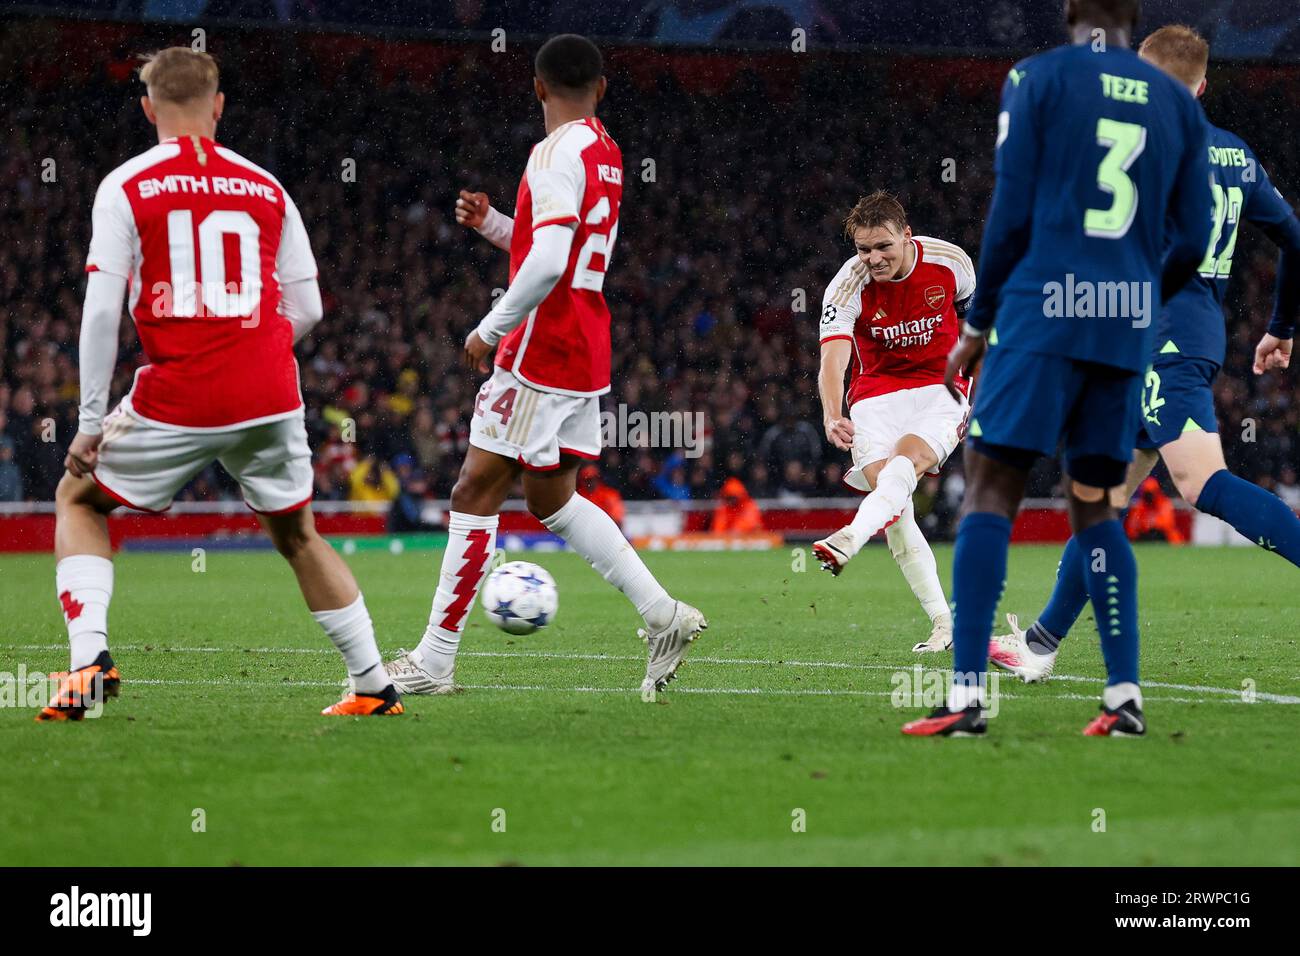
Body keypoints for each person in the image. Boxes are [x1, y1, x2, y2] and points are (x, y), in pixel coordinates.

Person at [42, 47, 402, 721]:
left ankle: (89, 662)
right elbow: (312, 306)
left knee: (79, 500)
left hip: (180, 390)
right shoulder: (266, 187)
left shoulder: (127, 185)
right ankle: (374, 686)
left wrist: (90, 423)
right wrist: (254, 348)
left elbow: (100, 311)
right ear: (219, 107)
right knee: (299, 534)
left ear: (148, 108)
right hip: (269, 392)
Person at [904, 0, 1212, 737]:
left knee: (990, 487)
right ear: (1130, 17)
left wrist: (978, 322)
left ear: (1070, 10)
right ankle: (1123, 696)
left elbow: (1010, 210)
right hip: (1123, 330)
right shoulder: (1177, 103)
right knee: (1097, 504)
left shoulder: (1035, 77)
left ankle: (967, 697)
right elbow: (1195, 237)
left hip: (1045, 311)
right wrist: (1138, 295)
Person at [383, 35, 706, 700]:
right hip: (584, 347)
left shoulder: (554, 151)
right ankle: (662, 614)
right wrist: (498, 225)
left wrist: (490, 326)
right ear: (602, 87)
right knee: (549, 499)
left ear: (537, 87)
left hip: (539, 350)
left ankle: (434, 661)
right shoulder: (607, 150)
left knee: (472, 492)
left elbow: (553, 258)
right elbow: (559, 244)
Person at [989, 24, 1300, 684]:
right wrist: (1282, 326)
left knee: (1200, 483)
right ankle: (1041, 643)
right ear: (1203, 85)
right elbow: (1294, 238)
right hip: (1191, 327)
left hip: (1155, 332)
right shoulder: (1235, 156)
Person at [813, 191, 975, 653]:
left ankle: (850, 536)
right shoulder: (847, 285)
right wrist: (831, 412)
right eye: (864, 249)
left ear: (907, 235)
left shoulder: (950, 262)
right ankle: (945, 623)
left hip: (940, 387)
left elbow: (975, 320)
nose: (874, 258)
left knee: (906, 463)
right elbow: (833, 357)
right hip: (875, 396)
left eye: (883, 246)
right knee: (896, 508)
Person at [577, 464, 626, 528]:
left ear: (598, 479)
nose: (590, 483)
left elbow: (617, 519)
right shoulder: (578, 496)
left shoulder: (610, 495)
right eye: (587, 480)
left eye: (592, 479)